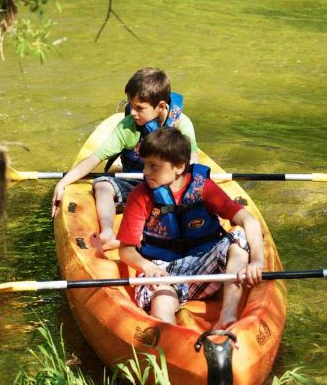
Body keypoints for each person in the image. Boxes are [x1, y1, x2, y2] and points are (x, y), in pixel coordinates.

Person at [116, 127, 264, 328]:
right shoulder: (140, 196)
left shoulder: (204, 188)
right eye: (145, 165)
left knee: (239, 236)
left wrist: (257, 261)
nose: (145, 172)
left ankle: (227, 315)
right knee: (162, 298)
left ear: (178, 166)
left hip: (203, 263)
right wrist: (147, 267)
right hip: (162, 269)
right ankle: (169, 339)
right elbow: (125, 250)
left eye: (153, 166)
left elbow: (250, 221)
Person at [51, 68, 198, 250]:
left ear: (160, 106)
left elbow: (193, 164)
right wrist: (63, 182)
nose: (133, 113)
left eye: (139, 108)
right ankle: (107, 231)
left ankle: (155, 234)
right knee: (102, 185)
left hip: (169, 187)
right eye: (131, 105)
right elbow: (95, 158)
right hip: (135, 183)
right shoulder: (128, 127)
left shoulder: (182, 124)